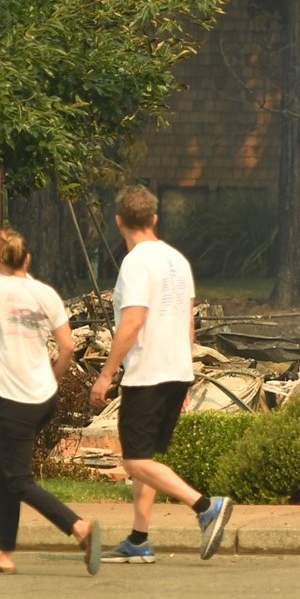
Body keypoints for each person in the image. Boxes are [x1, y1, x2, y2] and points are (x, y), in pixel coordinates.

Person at [90, 185, 234, 560]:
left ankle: (206, 507)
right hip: (175, 369)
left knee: (134, 461)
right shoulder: (176, 260)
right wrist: (186, 368)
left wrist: (106, 374)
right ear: (155, 218)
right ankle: (139, 539)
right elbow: (188, 318)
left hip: (147, 372)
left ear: (119, 220)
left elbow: (132, 320)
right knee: (147, 457)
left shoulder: (136, 263)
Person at [0, 229, 102, 575]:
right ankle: (1, 553)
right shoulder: (47, 294)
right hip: (43, 395)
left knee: (18, 479)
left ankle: (78, 527)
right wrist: (53, 378)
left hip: (15, 398)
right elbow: (68, 347)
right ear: (28, 259)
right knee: (5, 473)